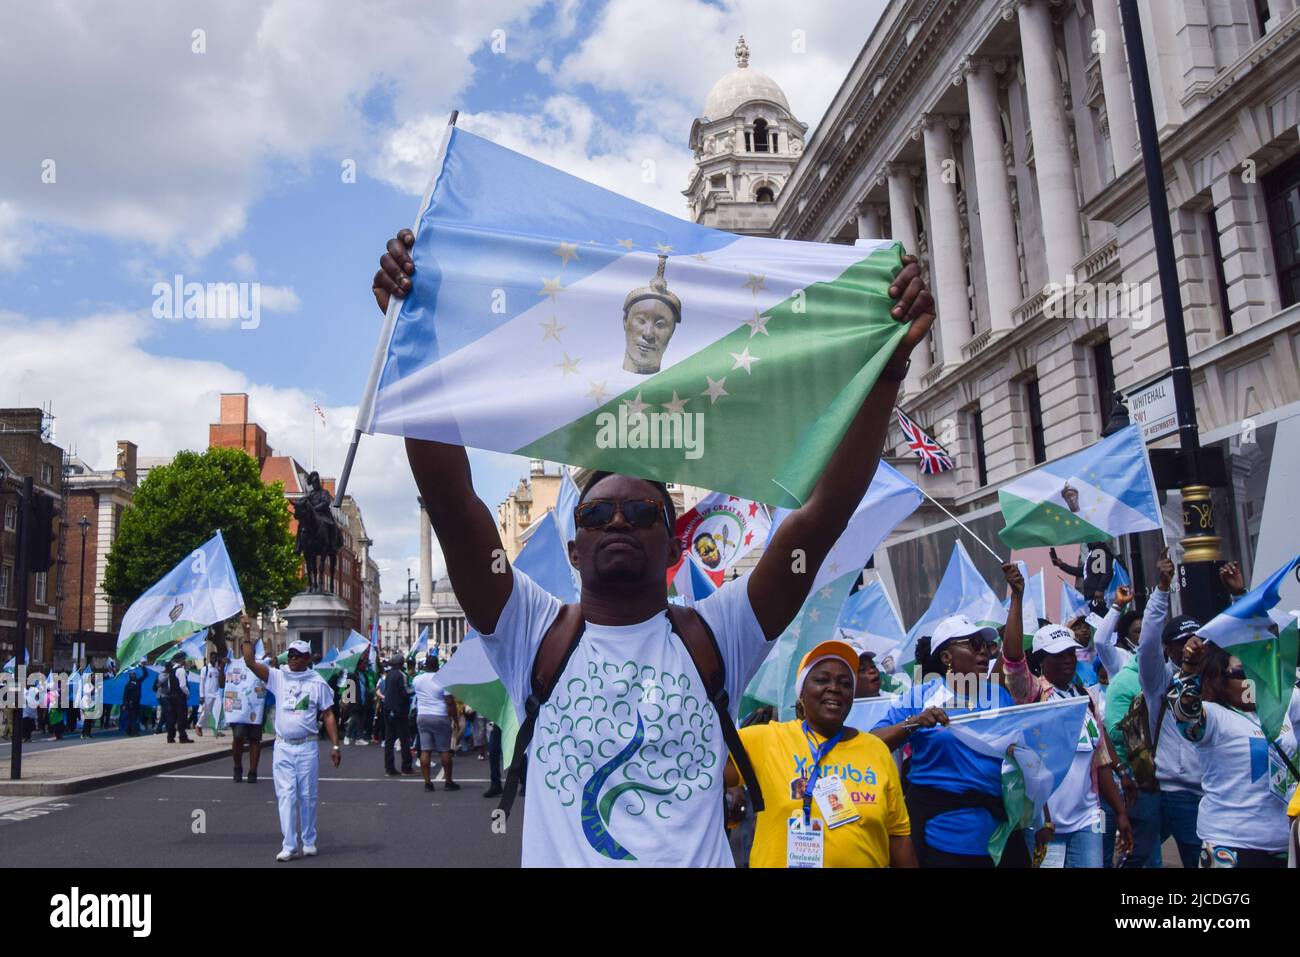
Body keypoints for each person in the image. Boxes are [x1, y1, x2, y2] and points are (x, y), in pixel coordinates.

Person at [370, 227, 935, 866]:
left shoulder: (720, 634)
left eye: (640, 511)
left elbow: (820, 518)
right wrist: (413, 335)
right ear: (574, 546)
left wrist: (887, 369)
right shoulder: (529, 630)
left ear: (671, 542)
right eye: (597, 513)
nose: (617, 520)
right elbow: (451, 504)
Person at [871, 563, 1037, 867]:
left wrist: (1016, 598)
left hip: (995, 844)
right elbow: (872, 743)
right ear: (946, 657)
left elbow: (1013, 656)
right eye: (973, 645)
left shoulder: (998, 695)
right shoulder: (919, 697)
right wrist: (913, 723)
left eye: (986, 645)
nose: (984, 652)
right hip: (938, 844)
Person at [725, 640, 915, 867]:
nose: (834, 688)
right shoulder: (765, 740)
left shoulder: (876, 750)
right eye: (822, 680)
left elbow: (899, 836)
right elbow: (702, 770)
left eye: (844, 683)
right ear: (802, 693)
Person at [1125, 549, 1229, 868]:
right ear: (1168, 649)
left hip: (1218, 791)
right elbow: (1147, 645)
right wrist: (1161, 590)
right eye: (1182, 641)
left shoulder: (1219, 680)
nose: (1191, 646)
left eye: (1196, 639)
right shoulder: (1161, 682)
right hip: (1179, 792)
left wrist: (1236, 593)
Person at [1170, 635, 1300, 867]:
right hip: (1230, 846)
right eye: (1241, 673)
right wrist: (1189, 667)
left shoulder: (1280, 705)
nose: (1251, 679)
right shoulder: (1213, 717)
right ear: (1218, 678)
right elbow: (1186, 716)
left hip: (1283, 846)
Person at [1027, 624, 1133, 867]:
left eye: (1070, 653)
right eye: (1058, 654)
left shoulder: (1087, 699)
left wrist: (1120, 811)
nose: (1067, 660)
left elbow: (1101, 761)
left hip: (1088, 820)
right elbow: (1012, 666)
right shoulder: (1032, 696)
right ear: (1041, 660)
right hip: (1045, 824)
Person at [240, 639, 340, 861]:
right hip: (283, 745)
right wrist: (247, 633)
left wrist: (335, 745)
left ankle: (309, 840)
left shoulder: (317, 683)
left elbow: (328, 714)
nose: (293, 659)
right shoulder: (278, 677)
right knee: (285, 795)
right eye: (291, 655)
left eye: (298, 655)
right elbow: (249, 662)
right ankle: (289, 844)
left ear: (308, 658)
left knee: (307, 796)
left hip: (307, 745)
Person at [222, 643, 269, 784]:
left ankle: (253, 771)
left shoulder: (262, 664)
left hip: (255, 709)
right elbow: (221, 683)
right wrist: (221, 668)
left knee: (255, 740)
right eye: (245, 649)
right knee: (238, 738)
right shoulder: (232, 664)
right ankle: (237, 767)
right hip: (238, 711)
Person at [412, 656, 458, 792]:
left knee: (425, 750)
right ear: (437, 665)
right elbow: (450, 702)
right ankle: (448, 782)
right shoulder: (442, 679)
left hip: (423, 715)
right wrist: (454, 719)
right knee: (444, 750)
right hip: (440, 715)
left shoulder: (417, 679)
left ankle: (427, 783)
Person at [380, 654, 414, 776]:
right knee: (404, 738)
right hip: (399, 709)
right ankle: (406, 767)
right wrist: (413, 690)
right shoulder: (402, 675)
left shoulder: (388, 675)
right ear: (401, 664)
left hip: (387, 708)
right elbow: (405, 692)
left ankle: (389, 768)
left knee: (389, 739)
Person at [160, 652, 192, 744]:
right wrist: (188, 694)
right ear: (181, 660)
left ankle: (170, 737)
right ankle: (183, 737)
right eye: (184, 659)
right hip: (179, 696)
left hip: (171, 696)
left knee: (172, 717)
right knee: (182, 717)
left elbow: (169, 686)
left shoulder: (171, 671)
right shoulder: (181, 670)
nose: (185, 661)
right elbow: (183, 686)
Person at [197, 652, 223, 738]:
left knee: (217, 712)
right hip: (207, 694)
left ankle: (216, 730)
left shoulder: (217, 670)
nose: (214, 659)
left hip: (216, 694)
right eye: (213, 658)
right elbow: (201, 683)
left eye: (215, 658)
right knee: (206, 712)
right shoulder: (205, 669)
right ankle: (198, 726)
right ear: (210, 658)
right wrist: (201, 696)